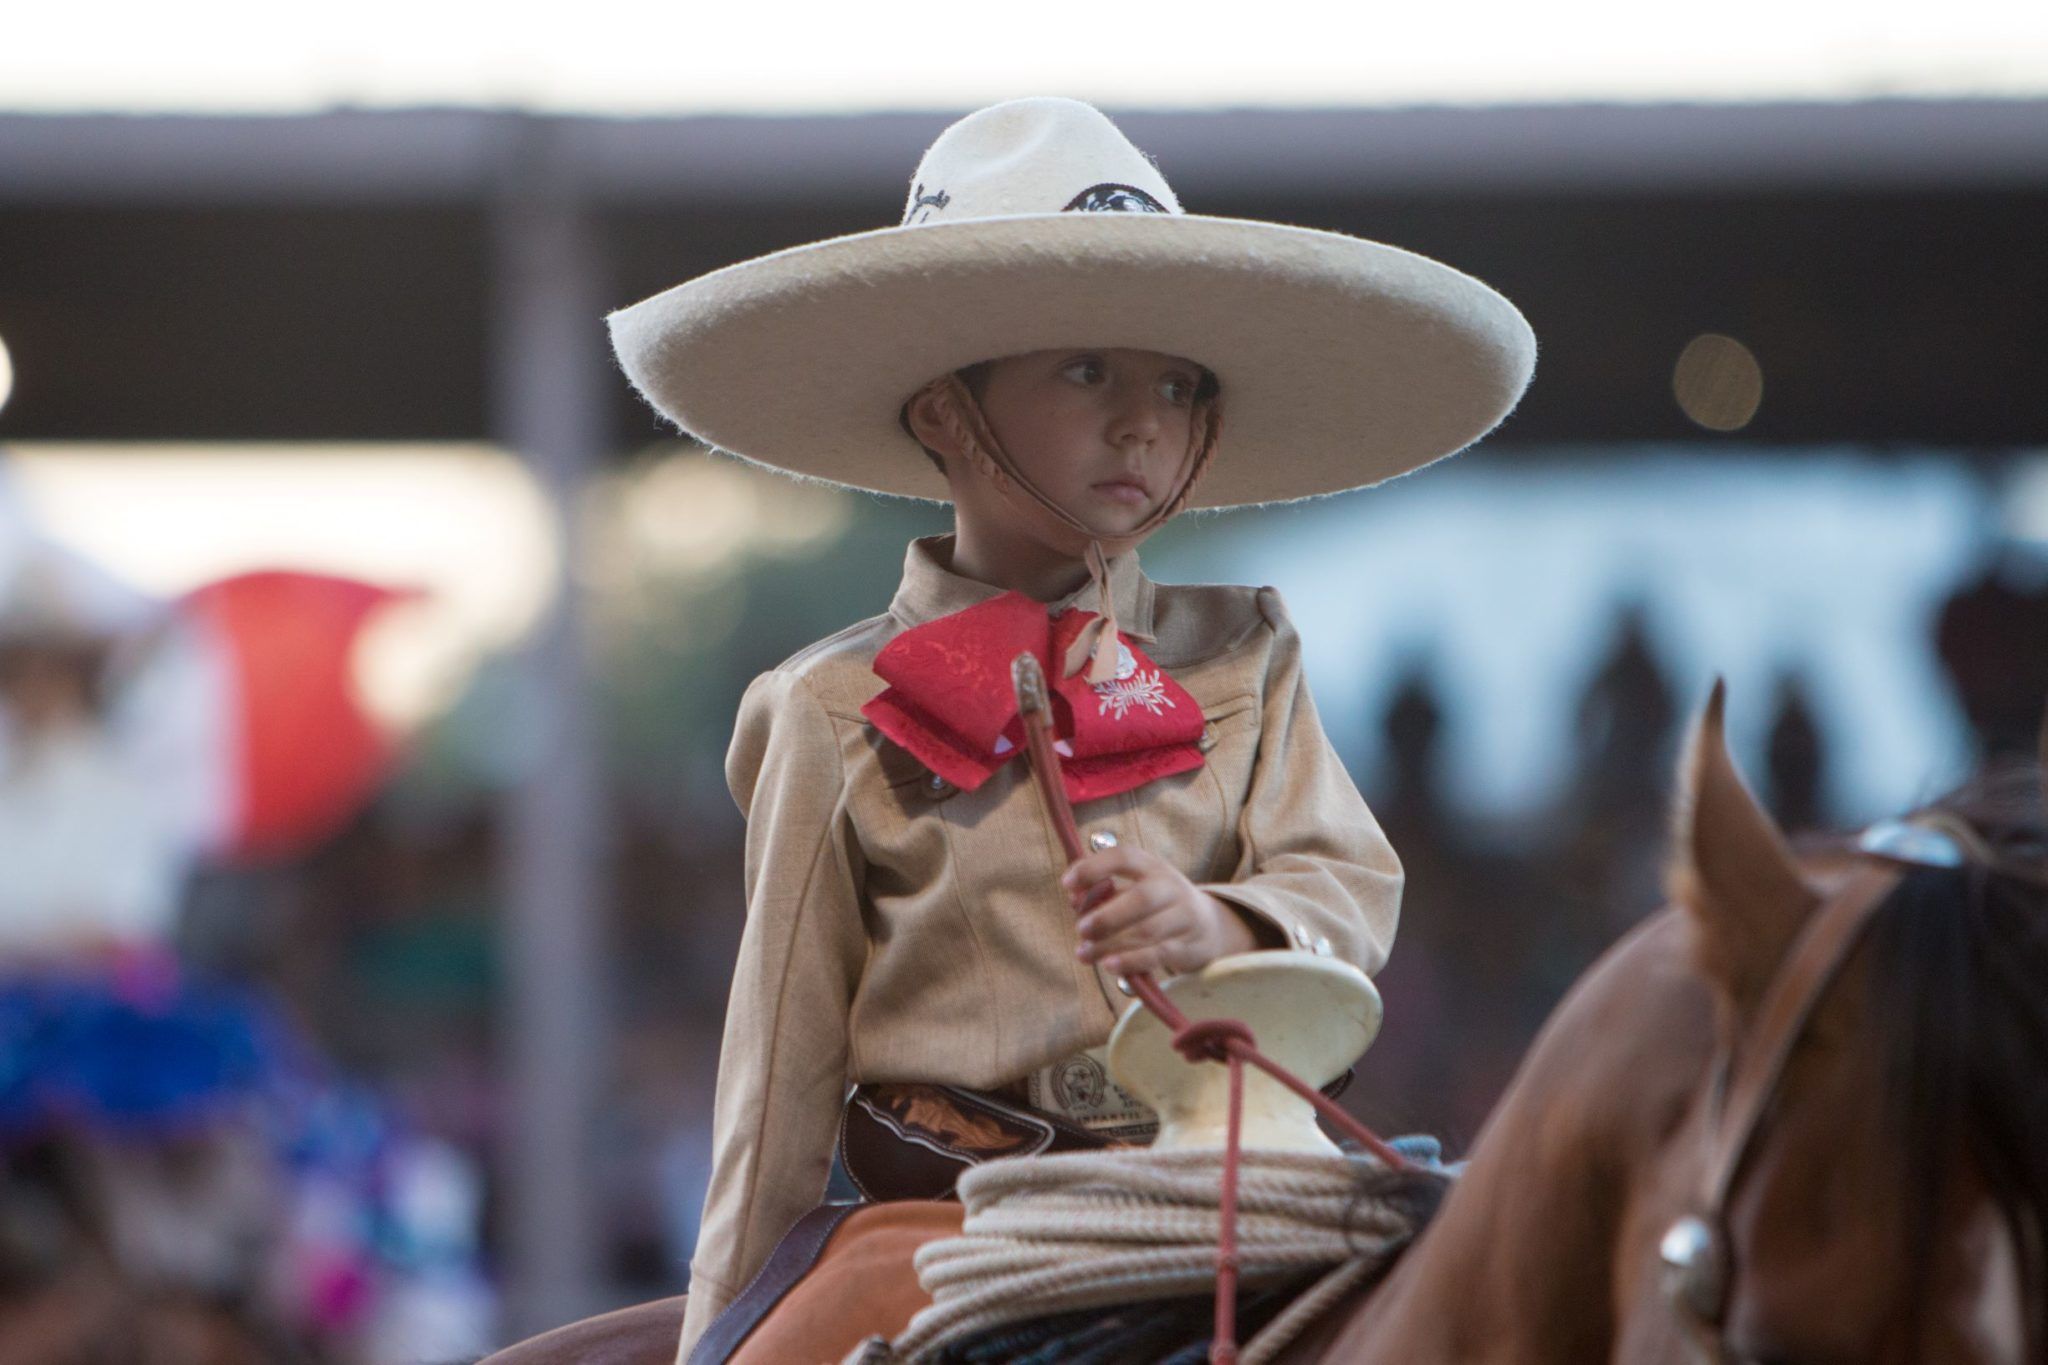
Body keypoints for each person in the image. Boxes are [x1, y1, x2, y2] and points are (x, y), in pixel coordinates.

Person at [606, 96, 1535, 1361]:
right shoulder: (827, 712)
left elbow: (1349, 884)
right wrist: (720, 1334)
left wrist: (1225, 924)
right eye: (1087, 370)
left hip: (1231, 1177)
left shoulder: (1246, 658)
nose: (1143, 420)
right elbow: (777, 1074)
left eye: (1174, 382)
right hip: (968, 1226)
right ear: (946, 412)